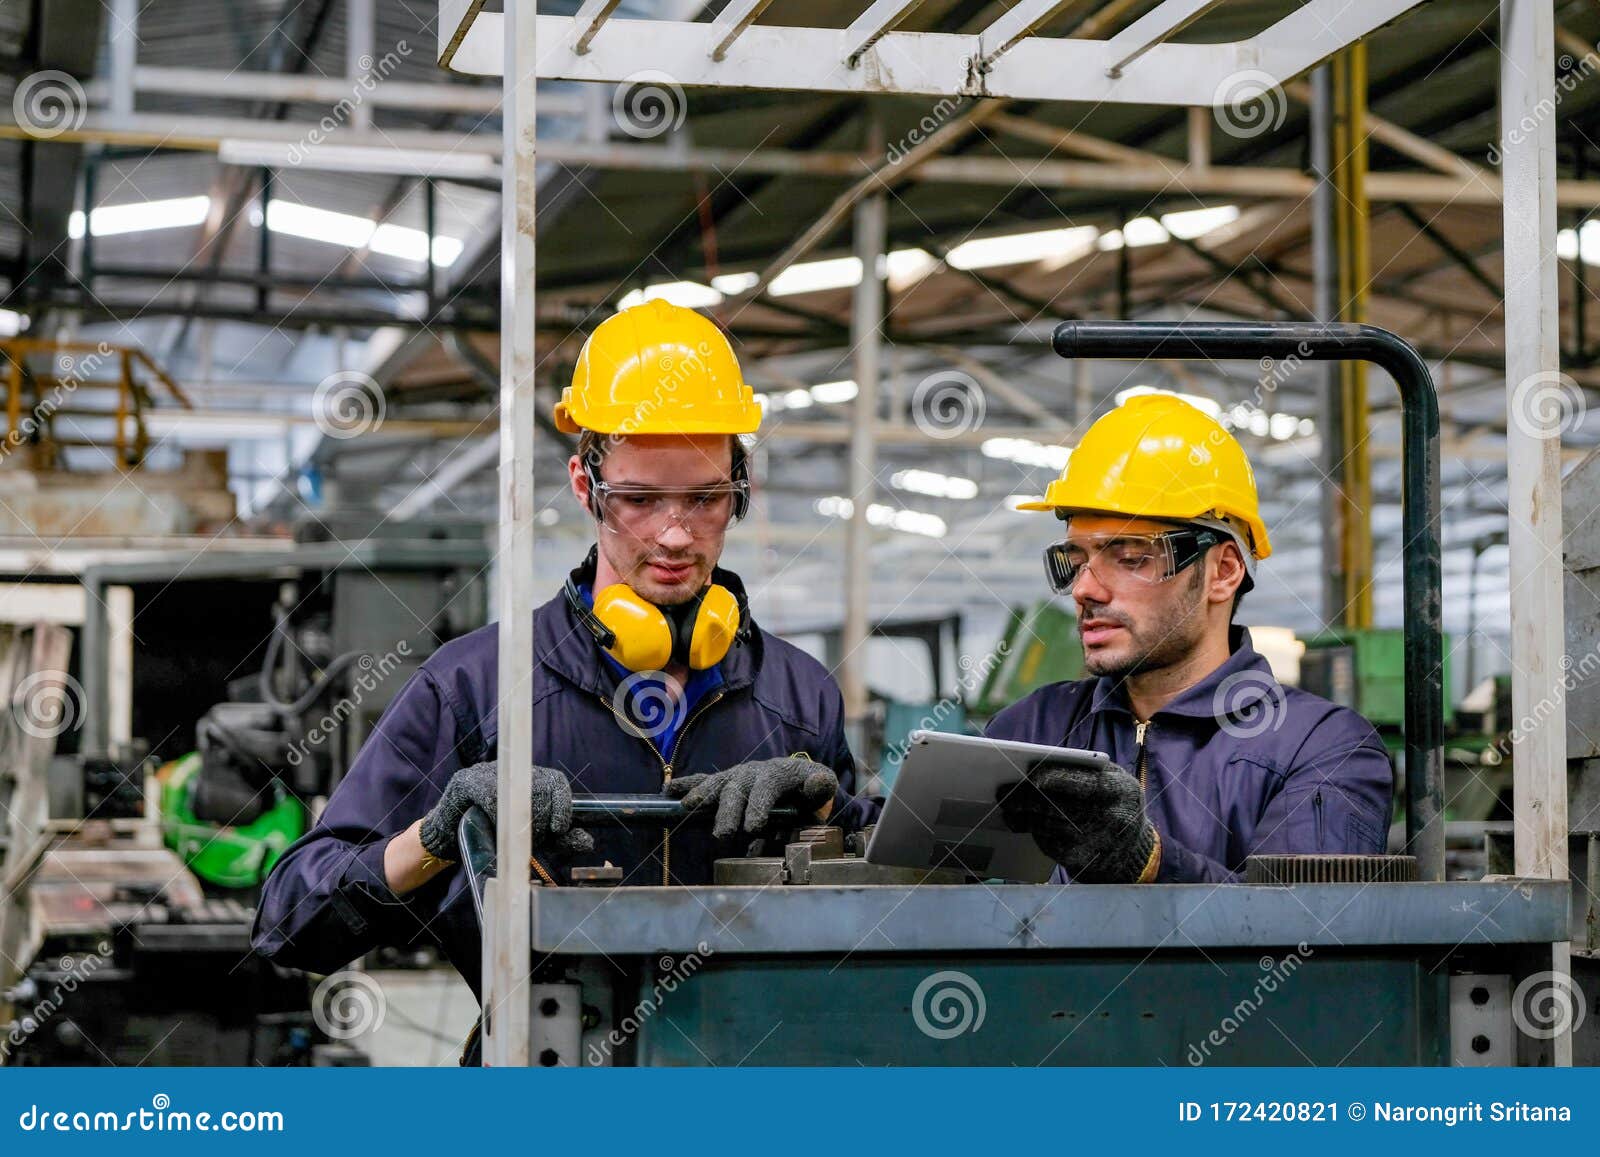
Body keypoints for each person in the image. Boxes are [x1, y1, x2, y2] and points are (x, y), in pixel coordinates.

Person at [252, 300, 876, 1002]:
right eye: (640, 499)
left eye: (704, 498)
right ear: (586, 486)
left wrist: (826, 816)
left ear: (741, 489)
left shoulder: (799, 695)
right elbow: (289, 921)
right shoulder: (476, 687)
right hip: (542, 1060)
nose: (675, 534)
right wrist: (436, 836)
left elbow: (896, 905)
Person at [988, 394, 1393, 884]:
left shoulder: (1322, 748)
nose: (1084, 590)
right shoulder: (1030, 728)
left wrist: (1148, 863)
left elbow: (1303, 923)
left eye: (1130, 557)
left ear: (1223, 572)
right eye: (1076, 560)